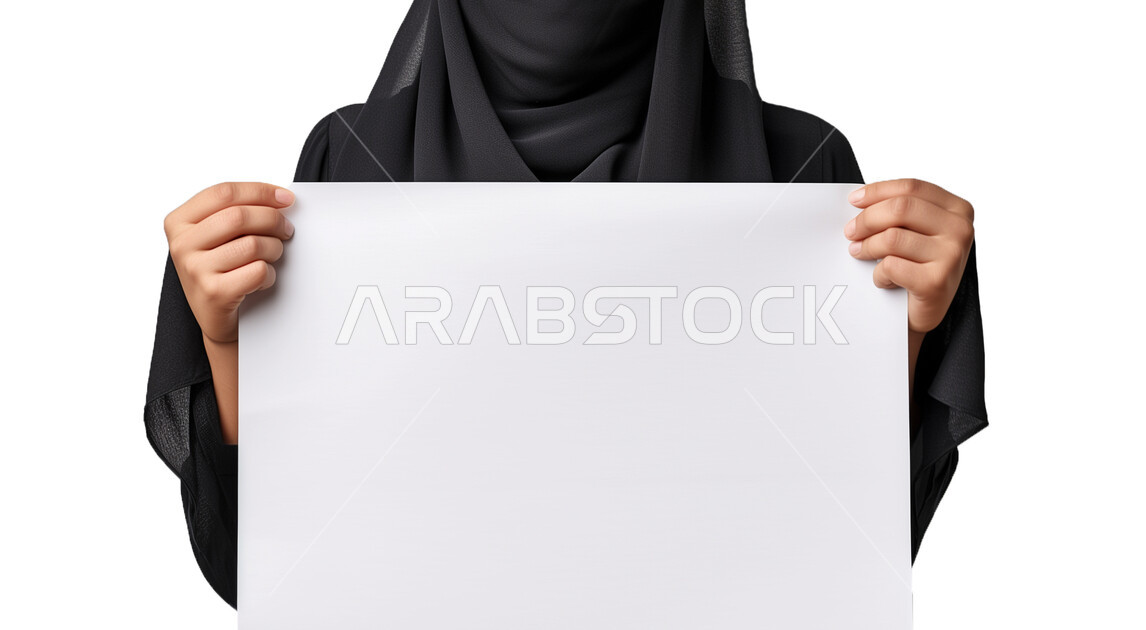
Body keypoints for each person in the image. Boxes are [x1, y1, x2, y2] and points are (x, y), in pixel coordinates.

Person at [145, 0, 987, 609]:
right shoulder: (350, 164)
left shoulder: (802, 169)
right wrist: (224, 342)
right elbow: (271, 575)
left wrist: (902, 333)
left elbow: (840, 566)